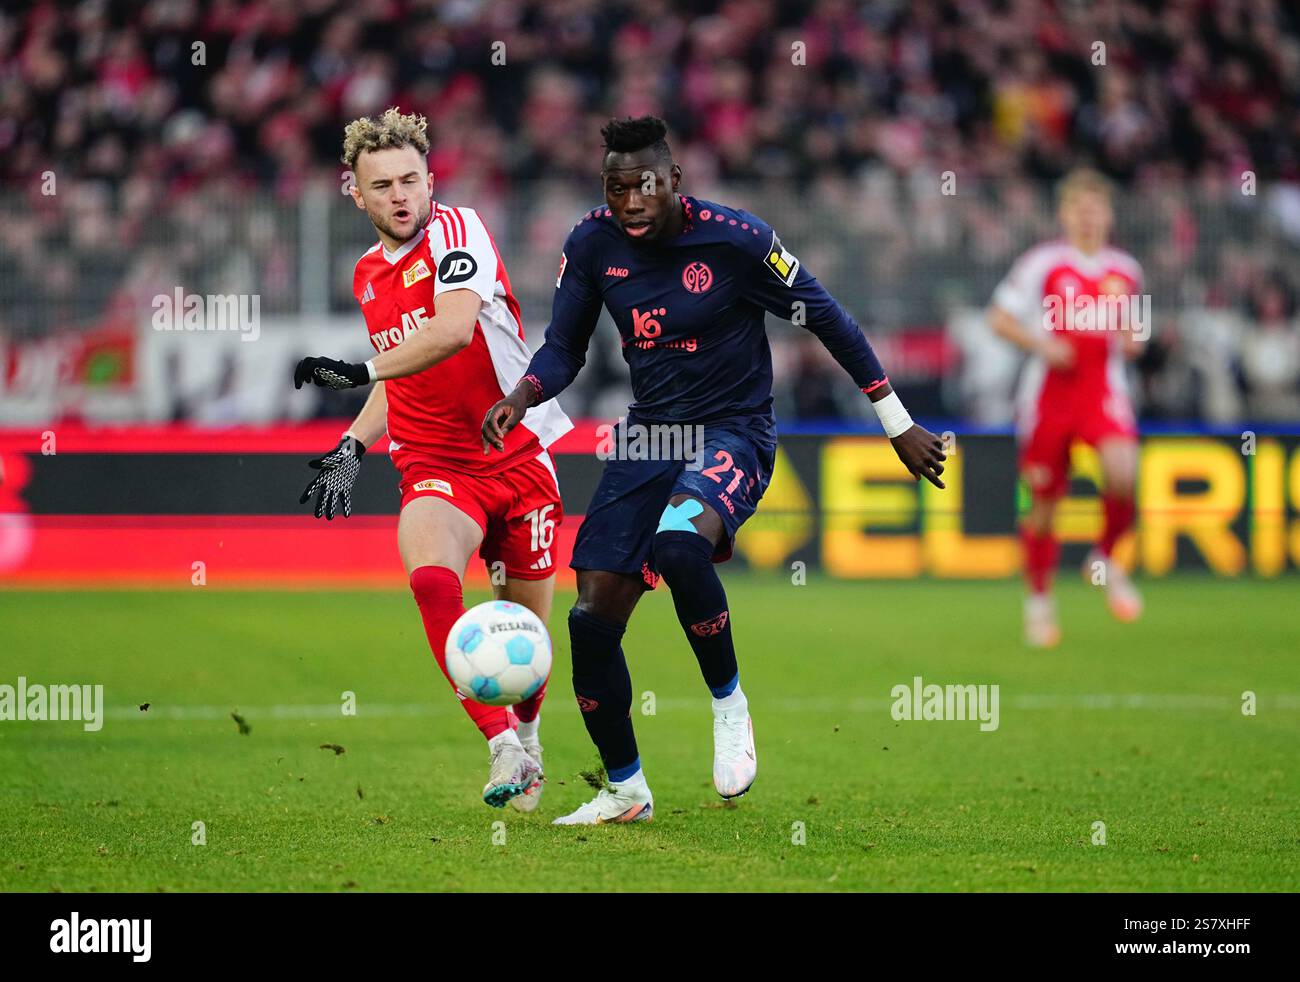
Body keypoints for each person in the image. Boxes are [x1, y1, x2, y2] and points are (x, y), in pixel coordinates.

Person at [482, 116, 945, 825]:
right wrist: (521, 396)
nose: (630, 201)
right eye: (615, 187)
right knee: (590, 617)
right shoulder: (591, 243)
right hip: (648, 441)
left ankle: (730, 706)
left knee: (677, 544)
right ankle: (626, 790)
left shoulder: (737, 240)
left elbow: (828, 319)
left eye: (644, 186)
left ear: (675, 182)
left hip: (734, 432)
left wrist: (896, 421)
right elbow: (563, 349)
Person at [293, 108, 572, 809]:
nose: (399, 195)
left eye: (410, 179)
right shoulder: (365, 275)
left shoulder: (458, 230)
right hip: (435, 464)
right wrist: (353, 444)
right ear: (354, 193)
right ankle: (501, 745)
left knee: (527, 641)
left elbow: (449, 331)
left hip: (517, 454)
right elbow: (402, 375)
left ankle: (530, 737)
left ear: (430, 179)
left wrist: (352, 370)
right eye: (382, 184)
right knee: (431, 581)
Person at [988, 168, 1145, 648]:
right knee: (1042, 505)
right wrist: (1043, 345)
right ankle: (1039, 601)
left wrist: (1132, 341)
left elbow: (1136, 336)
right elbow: (999, 319)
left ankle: (1104, 558)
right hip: (1048, 394)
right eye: (1080, 207)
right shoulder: (1043, 263)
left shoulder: (1127, 271)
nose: (1088, 216)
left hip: (1102, 390)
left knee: (1124, 473)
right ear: (1065, 213)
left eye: (1096, 207)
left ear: (1109, 215)